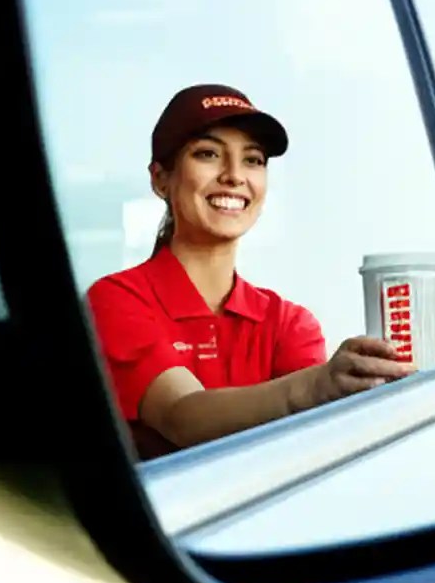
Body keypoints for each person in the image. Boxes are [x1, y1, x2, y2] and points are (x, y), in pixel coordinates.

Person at [85, 84, 414, 459]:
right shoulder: (115, 300)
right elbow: (182, 416)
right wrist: (315, 386)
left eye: (253, 160)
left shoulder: (289, 324)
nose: (234, 176)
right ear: (160, 179)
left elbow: (312, 445)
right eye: (208, 154)